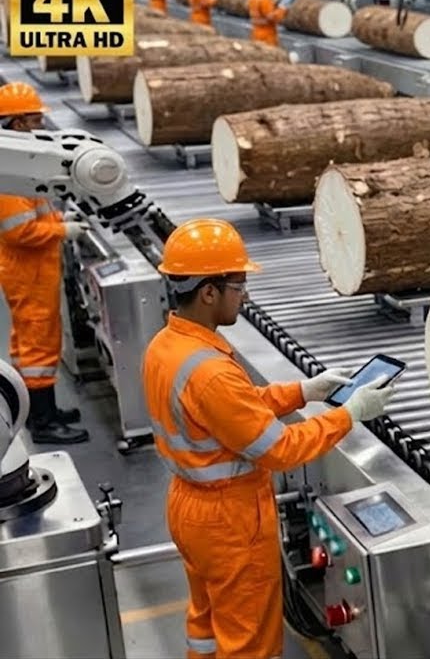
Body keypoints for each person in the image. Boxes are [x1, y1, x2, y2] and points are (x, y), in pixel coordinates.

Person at [144, 217, 398, 658]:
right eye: (239, 287)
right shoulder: (210, 371)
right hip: (229, 521)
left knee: (206, 619)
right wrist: (349, 414)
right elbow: (280, 449)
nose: (244, 297)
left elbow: (232, 409)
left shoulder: (167, 347)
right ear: (209, 292)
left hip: (189, 506)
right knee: (249, 641)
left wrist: (305, 390)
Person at [0, 82, 90, 444]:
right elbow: (18, 231)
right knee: (39, 345)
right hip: (28, 269)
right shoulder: (8, 171)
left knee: (30, 343)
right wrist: (63, 230)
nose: (40, 125)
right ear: (18, 123)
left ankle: (45, 409)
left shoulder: (19, 160)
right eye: (35, 119)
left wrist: (59, 217)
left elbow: (36, 208)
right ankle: (43, 422)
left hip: (33, 268)